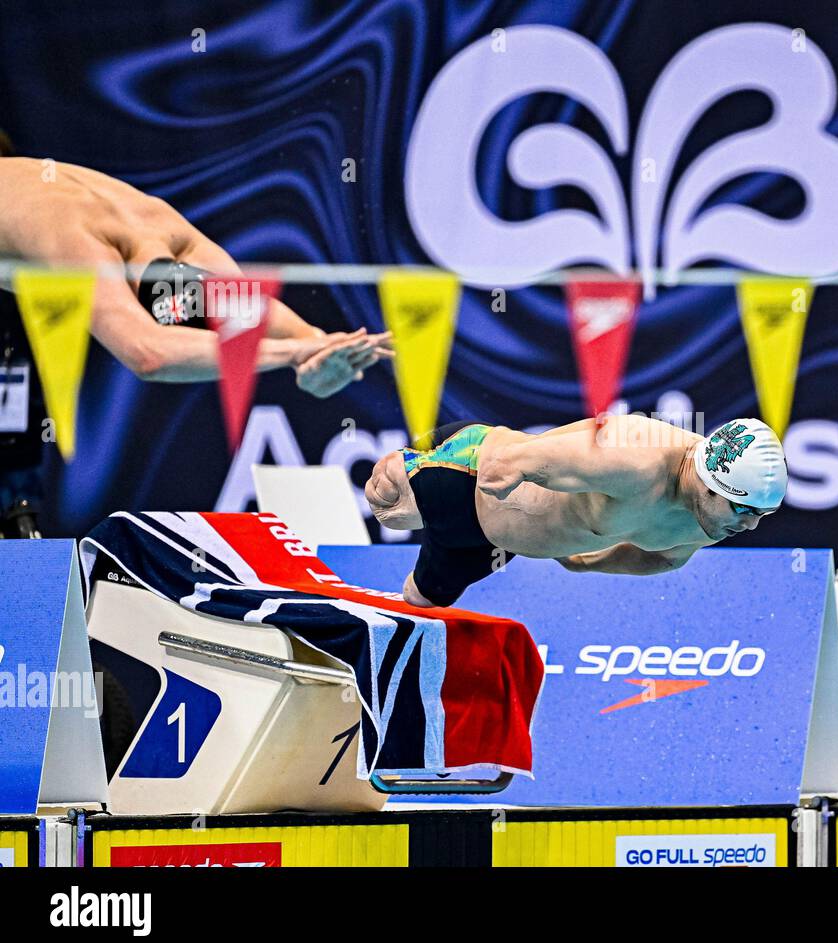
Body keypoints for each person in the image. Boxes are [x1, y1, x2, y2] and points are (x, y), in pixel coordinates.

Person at [0, 150, 391, 535]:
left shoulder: (164, 241)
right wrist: (294, 351)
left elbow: (253, 326)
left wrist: (318, 354)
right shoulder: (87, 237)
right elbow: (147, 353)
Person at [365, 415, 788, 607]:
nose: (748, 525)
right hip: (462, 475)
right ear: (709, 481)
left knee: (418, 601)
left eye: (759, 516)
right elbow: (510, 459)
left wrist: (588, 564)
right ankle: (398, 477)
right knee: (387, 504)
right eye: (741, 509)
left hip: (492, 541)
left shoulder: (710, 519)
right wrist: (416, 476)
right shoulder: (633, 455)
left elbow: (662, 558)